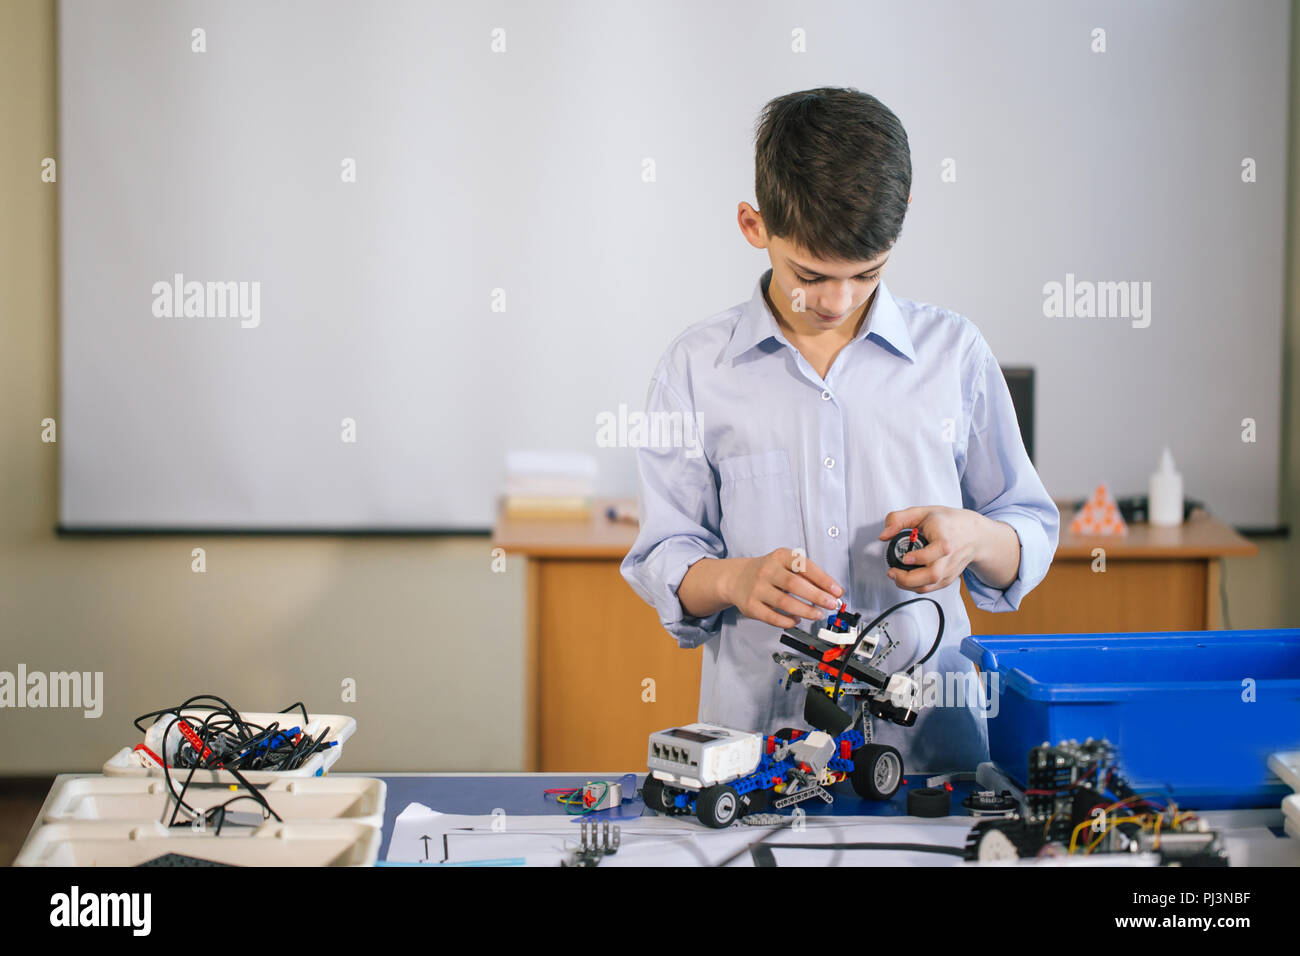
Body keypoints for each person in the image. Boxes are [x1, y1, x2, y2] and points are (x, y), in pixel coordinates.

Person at [620, 87, 1059, 773]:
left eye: (867, 275)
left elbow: (1026, 531)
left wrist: (975, 538)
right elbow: (663, 554)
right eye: (810, 275)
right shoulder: (695, 369)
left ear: (901, 222)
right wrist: (734, 580)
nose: (837, 301)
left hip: (931, 759)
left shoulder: (955, 355)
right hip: (759, 759)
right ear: (752, 224)